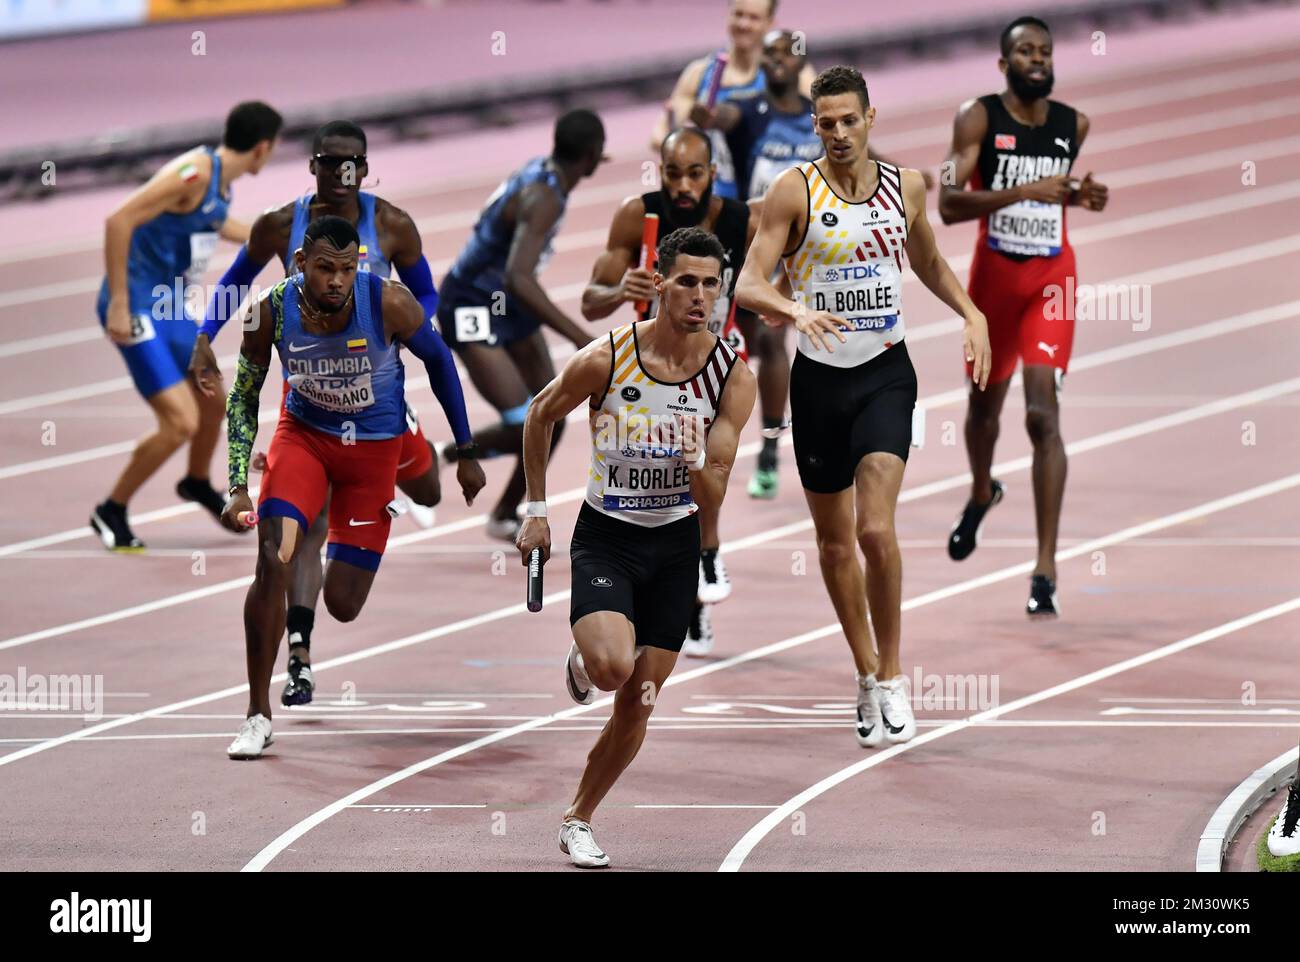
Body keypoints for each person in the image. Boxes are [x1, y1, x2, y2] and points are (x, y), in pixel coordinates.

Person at [737, 66, 991, 749]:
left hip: (885, 374)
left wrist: (972, 313)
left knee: (875, 532)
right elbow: (748, 282)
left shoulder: (904, 186)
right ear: (814, 127)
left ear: (871, 117)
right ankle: (863, 671)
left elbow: (929, 262)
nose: (840, 133)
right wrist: (795, 307)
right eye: (827, 123)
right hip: (817, 385)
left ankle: (895, 672)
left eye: (850, 120)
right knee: (832, 541)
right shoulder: (793, 191)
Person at [189, 120, 453, 706]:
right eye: (331, 162)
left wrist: (403, 332)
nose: (343, 173)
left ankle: (414, 467)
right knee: (299, 529)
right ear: (312, 165)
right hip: (307, 391)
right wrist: (205, 335)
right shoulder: (281, 225)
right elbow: (236, 283)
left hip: (377, 392)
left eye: (353, 162)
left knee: (431, 490)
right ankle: (299, 656)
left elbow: (427, 292)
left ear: (366, 164)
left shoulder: (392, 225)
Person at [519, 226, 756, 867]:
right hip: (607, 538)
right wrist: (536, 512)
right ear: (659, 283)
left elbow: (713, 501)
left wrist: (694, 459)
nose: (701, 296)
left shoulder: (731, 380)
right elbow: (541, 412)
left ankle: (578, 817)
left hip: (675, 547)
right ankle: (585, 654)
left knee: (639, 700)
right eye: (686, 281)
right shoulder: (609, 357)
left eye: (712, 284)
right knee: (611, 668)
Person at [222, 216, 485, 759]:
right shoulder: (268, 312)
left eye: (346, 269)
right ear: (301, 265)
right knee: (274, 555)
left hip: (374, 447)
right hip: (306, 437)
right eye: (324, 269)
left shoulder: (389, 302)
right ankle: (256, 713)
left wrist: (467, 450)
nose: (336, 280)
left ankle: (421, 451)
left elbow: (440, 362)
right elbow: (244, 396)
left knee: (342, 603)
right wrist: (236, 485)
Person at [938, 16, 1108, 618]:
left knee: (1043, 416)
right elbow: (949, 202)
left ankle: (1044, 568)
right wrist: (1023, 192)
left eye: (1044, 51)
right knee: (983, 411)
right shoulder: (977, 117)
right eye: (1024, 52)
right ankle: (983, 490)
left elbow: (1062, 193)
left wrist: (1080, 196)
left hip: (1050, 281)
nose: (1037, 60)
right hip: (993, 284)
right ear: (1003, 63)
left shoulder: (1073, 124)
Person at [581, 126, 756, 654]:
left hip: (716, 361)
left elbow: (770, 283)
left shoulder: (737, 219)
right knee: (651, 477)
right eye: (672, 173)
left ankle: (708, 552)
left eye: (694, 173)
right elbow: (590, 301)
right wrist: (619, 289)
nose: (682, 184)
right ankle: (669, 593)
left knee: (705, 470)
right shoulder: (639, 214)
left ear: (712, 174)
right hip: (648, 362)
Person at [91, 101, 282, 551]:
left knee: (213, 399)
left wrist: (282, 233)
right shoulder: (194, 172)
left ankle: (196, 481)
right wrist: (119, 301)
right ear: (262, 148)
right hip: (137, 306)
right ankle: (111, 508)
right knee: (180, 422)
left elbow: (220, 224)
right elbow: (118, 220)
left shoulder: (219, 185)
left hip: (172, 307)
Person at [436, 109, 607, 541]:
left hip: (507, 304)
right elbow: (518, 276)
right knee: (520, 422)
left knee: (552, 413)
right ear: (592, 157)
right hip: (471, 302)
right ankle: (440, 454)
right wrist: (580, 338)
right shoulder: (544, 197)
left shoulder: (544, 172)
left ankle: (505, 513)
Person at [651, 0, 814, 199]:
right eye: (738, 14)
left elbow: (820, 122)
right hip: (711, 197)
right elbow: (661, 135)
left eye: (753, 18)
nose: (743, 24)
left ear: (770, 23)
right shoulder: (699, 73)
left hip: (765, 196)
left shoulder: (789, 75)